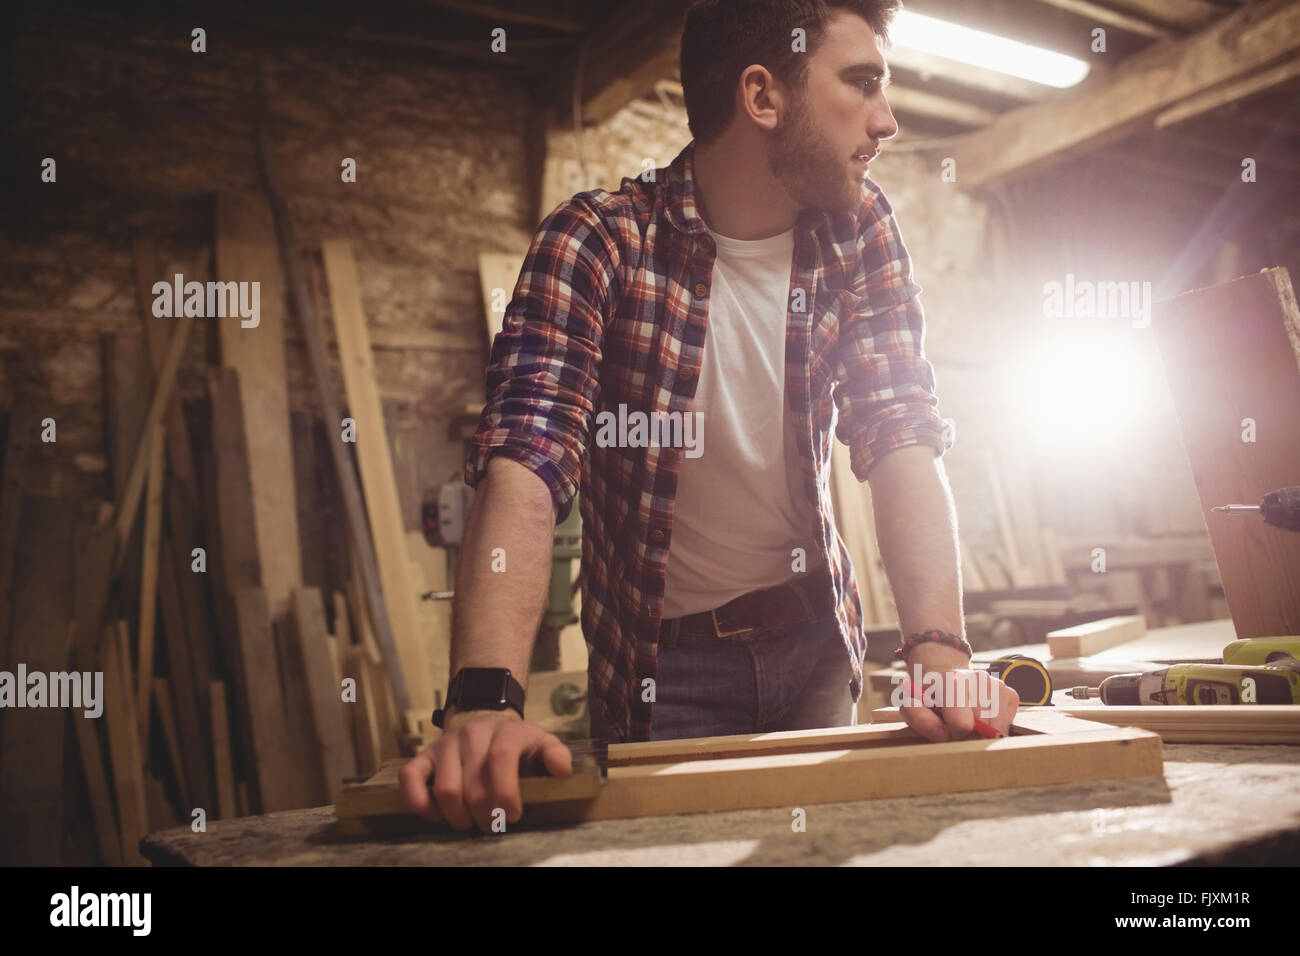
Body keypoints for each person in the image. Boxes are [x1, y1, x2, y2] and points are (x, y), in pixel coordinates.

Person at [400, 0, 1018, 832]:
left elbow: (900, 425)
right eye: (862, 82)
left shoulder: (858, 230)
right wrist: (483, 700)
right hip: (666, 671)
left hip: (815, 642)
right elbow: (528, 457)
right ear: (761, 97)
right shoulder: (599, 243)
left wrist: (938, 647)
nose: (888, 119)